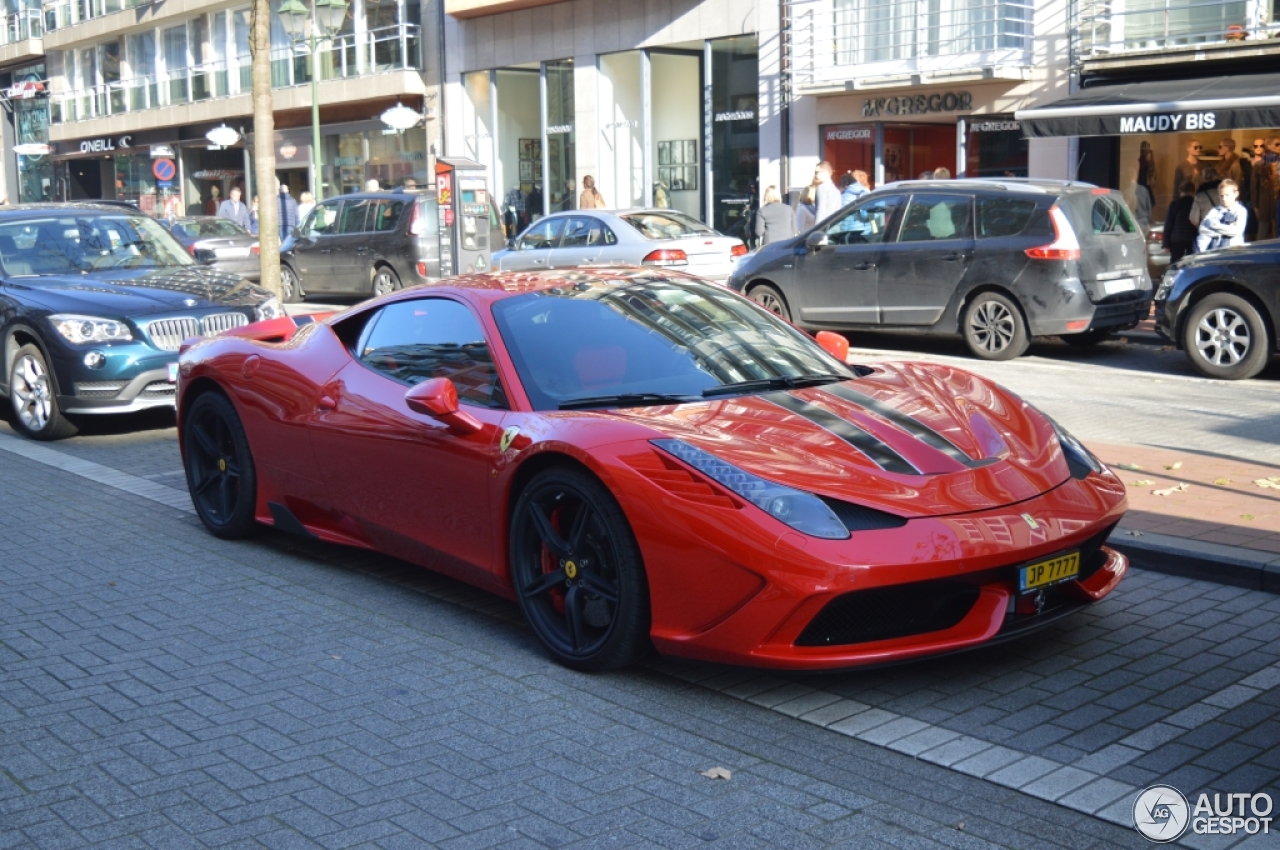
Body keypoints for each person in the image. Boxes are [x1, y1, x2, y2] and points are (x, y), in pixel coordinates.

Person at [1196, 178, 1246, 253]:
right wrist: (1227, 228)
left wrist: (1213, 225)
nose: (1224, 198)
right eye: (1221, 196)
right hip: (1214, 250)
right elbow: (1202, 229)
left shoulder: (1241, 210)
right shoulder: (1214, 210)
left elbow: (1237, 231)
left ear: (1236, 194)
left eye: (1227, 195)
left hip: (1233, 251)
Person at [1163, 181, 1197, 264]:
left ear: (1180, 191)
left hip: (1176, 239)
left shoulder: (1174, 204)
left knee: (1175, 262)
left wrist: (1166, 244)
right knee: (1191, 262)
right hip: (1192, 238)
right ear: (1193, 192)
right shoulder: (1195, 204)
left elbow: (1168, 225)